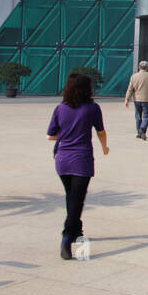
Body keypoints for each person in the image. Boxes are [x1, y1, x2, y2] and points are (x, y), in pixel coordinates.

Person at [46, 72, 108, 260]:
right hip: (81, 159)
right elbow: (100, 131)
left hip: (62, 159)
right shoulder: (92, 108)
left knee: (72, 197)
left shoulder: (60, 108)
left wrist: (66, 135)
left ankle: (77, 229)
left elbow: (50, 135)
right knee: (77, 200)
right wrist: (104, 147)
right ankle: (67, 236)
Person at [124, 60, 148, 139]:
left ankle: (139, 133)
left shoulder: (134, 76)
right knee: (146, 116)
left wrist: (127, 99)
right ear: (147, 67)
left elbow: (130, 89)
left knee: (138, 116)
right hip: (147, 100)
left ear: (139, 67)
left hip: (137, 99)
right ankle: (142, 129)